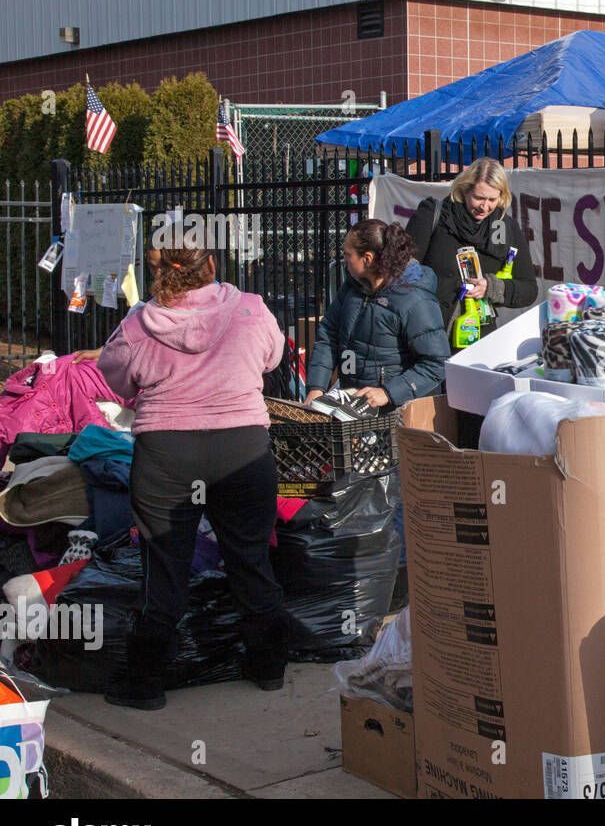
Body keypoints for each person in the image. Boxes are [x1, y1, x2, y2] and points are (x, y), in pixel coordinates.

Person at [98, 241, 288, 710]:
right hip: (241, 446)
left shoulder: (140, 322)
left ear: (157, 270)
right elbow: (273, 359)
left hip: (168, 453)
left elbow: (116, 379)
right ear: (212, 266)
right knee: (249, 556)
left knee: (164, 566)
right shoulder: (250, 309)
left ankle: (145, 684)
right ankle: (268, 667)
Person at [304, 219, 449, 408]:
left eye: (348, 255)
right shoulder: (351, 289)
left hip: (398, 412)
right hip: (355, 407)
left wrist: (388, 393)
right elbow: (328, 336)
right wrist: (316, 387)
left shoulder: (415, 300)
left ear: (367, 259)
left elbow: (436, 363)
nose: (344, 259)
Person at [405, 157, 538, 349]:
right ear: (464, 190)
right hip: (429, 334)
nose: (485, 207)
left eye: (493, 199)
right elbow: (403, 269)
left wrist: (491, 288)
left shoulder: (506, 227)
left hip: (478, 341)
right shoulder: (433, 214)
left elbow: (529, 289)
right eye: (479, 197)